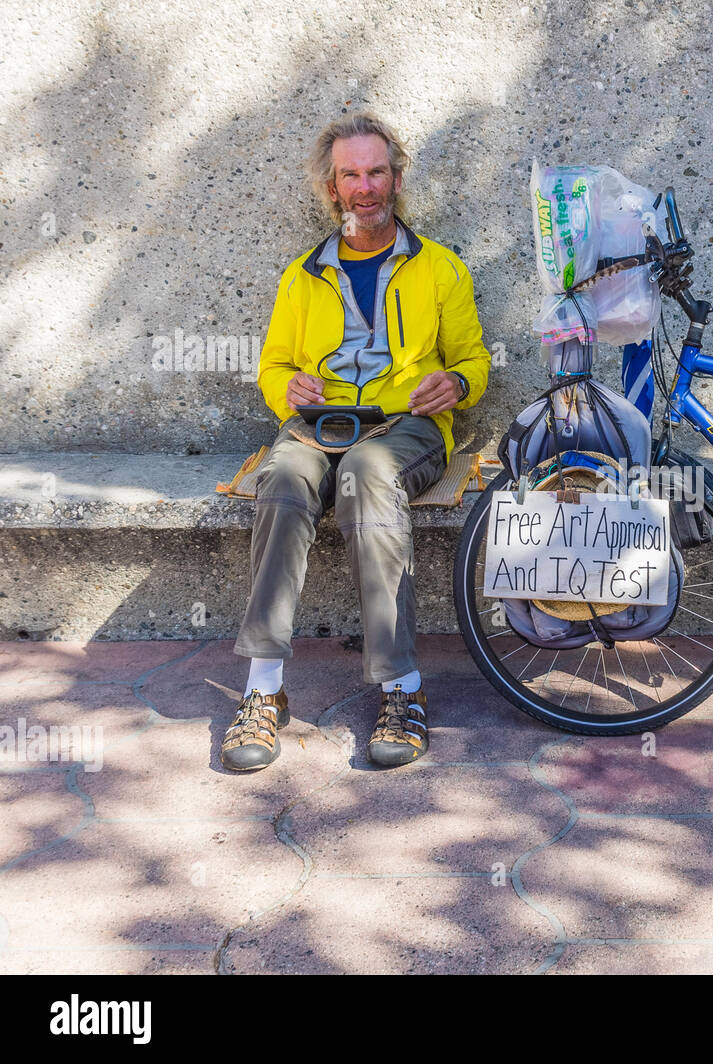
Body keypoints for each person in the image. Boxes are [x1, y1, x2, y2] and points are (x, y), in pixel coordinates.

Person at [222, 113, 491, 772]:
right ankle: (263, 692)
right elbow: (273, 367)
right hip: (317, 427)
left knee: (368, 472)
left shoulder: (441, 270)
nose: (366, 187)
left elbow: (476, 361)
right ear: (333, 189)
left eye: (377, 172)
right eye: (352, 175)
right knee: (281, 481)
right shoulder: (303, 275)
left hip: (406, 429)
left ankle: (401, 690)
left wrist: (454, 383)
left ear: (396, 179)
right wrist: (290, 390)